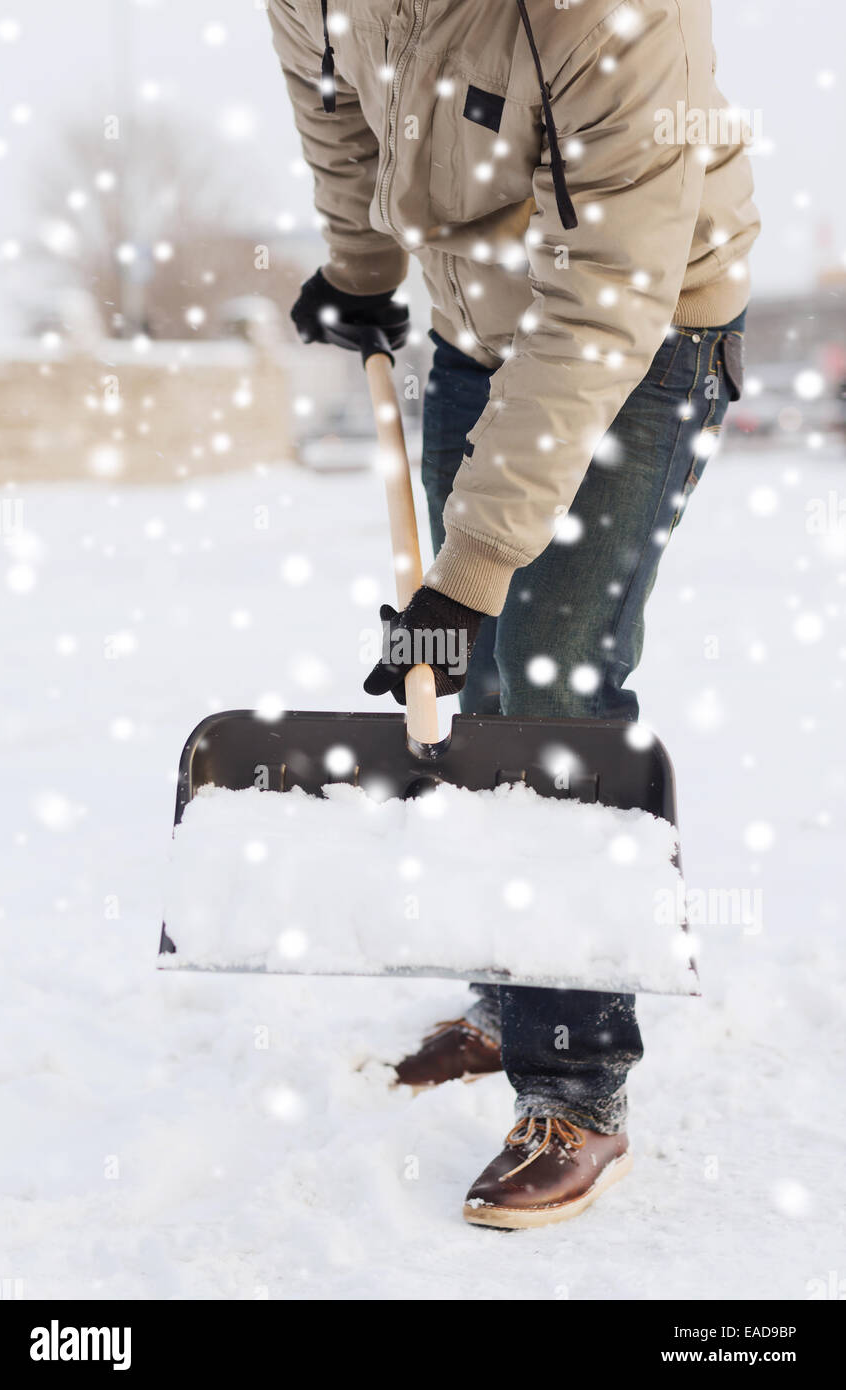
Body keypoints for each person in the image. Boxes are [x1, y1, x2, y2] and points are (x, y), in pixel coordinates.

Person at [268, 0, 759, 1228]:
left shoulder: (607, 13)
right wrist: (361, 268)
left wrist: (470, 567)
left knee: (550, 691)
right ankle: (514, 991)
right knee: (473, 697)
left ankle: (576, 1090)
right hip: (481, 326)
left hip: (640, 333)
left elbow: (608, 296)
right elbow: (342, 118)